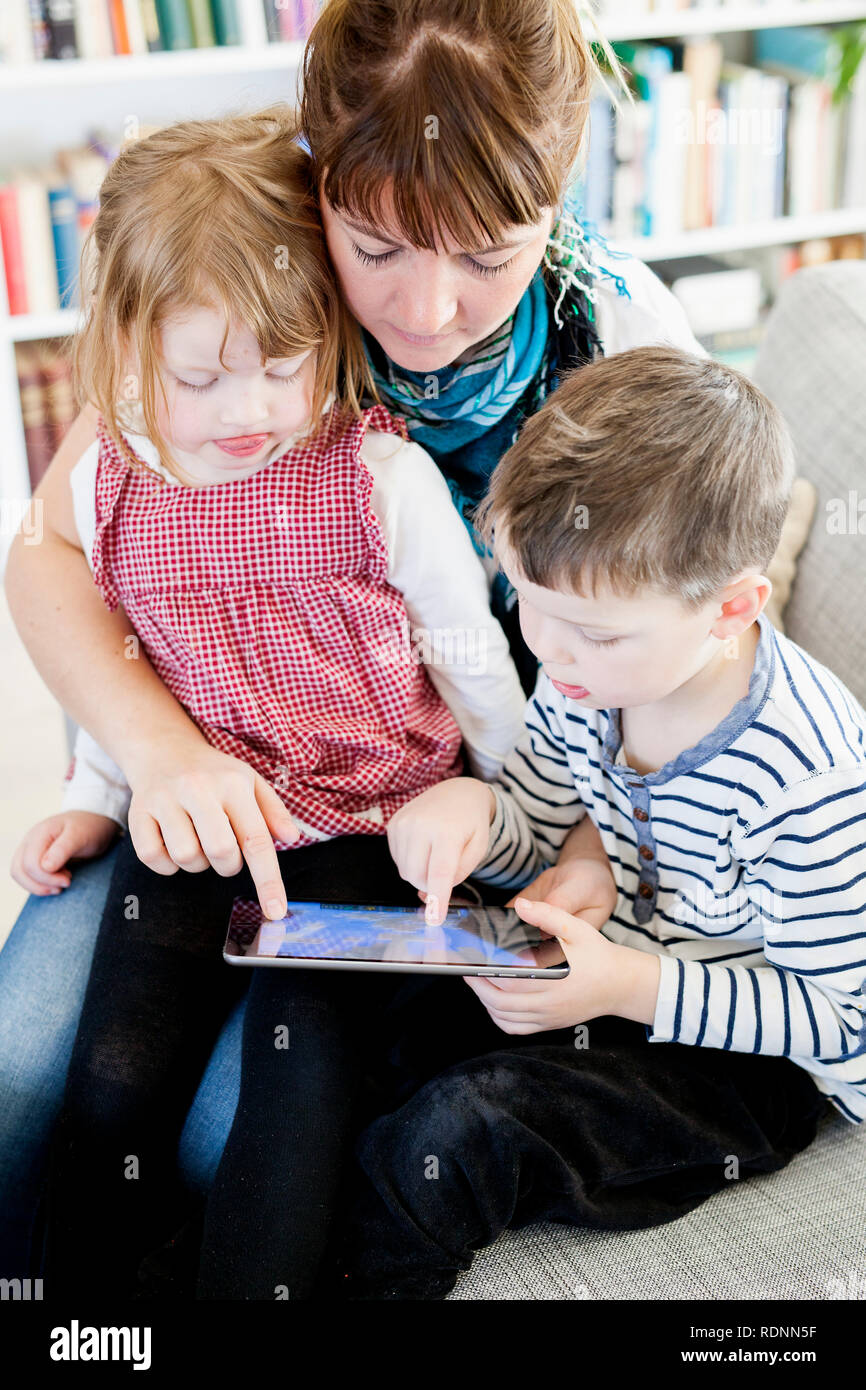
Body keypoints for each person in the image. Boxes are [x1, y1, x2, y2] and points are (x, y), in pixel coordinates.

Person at [1, 0, 701, 1280]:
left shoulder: (623, 351)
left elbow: (680, 651)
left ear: (558, 190)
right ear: (318, 167)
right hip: (203, 778)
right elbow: (50, 548)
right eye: (375, 244)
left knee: (254, 1134)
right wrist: (149, 760)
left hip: (435, 811)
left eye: (488, 252)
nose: (427, 311)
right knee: (27, 1080)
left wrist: (578, 837)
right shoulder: (251, 263)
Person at [344, 344, 866, 1299]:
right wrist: (478, 818)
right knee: (370, 1029)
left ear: (732, 608)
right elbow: (539, 833)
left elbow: (849, 1028)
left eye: (593, 632)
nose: (549, 651)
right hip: (605, 978)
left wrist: (627, 985)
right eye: (531, 610)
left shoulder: (810, 779)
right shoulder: (589, 671)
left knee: (469, 1130)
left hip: (750, 1067)